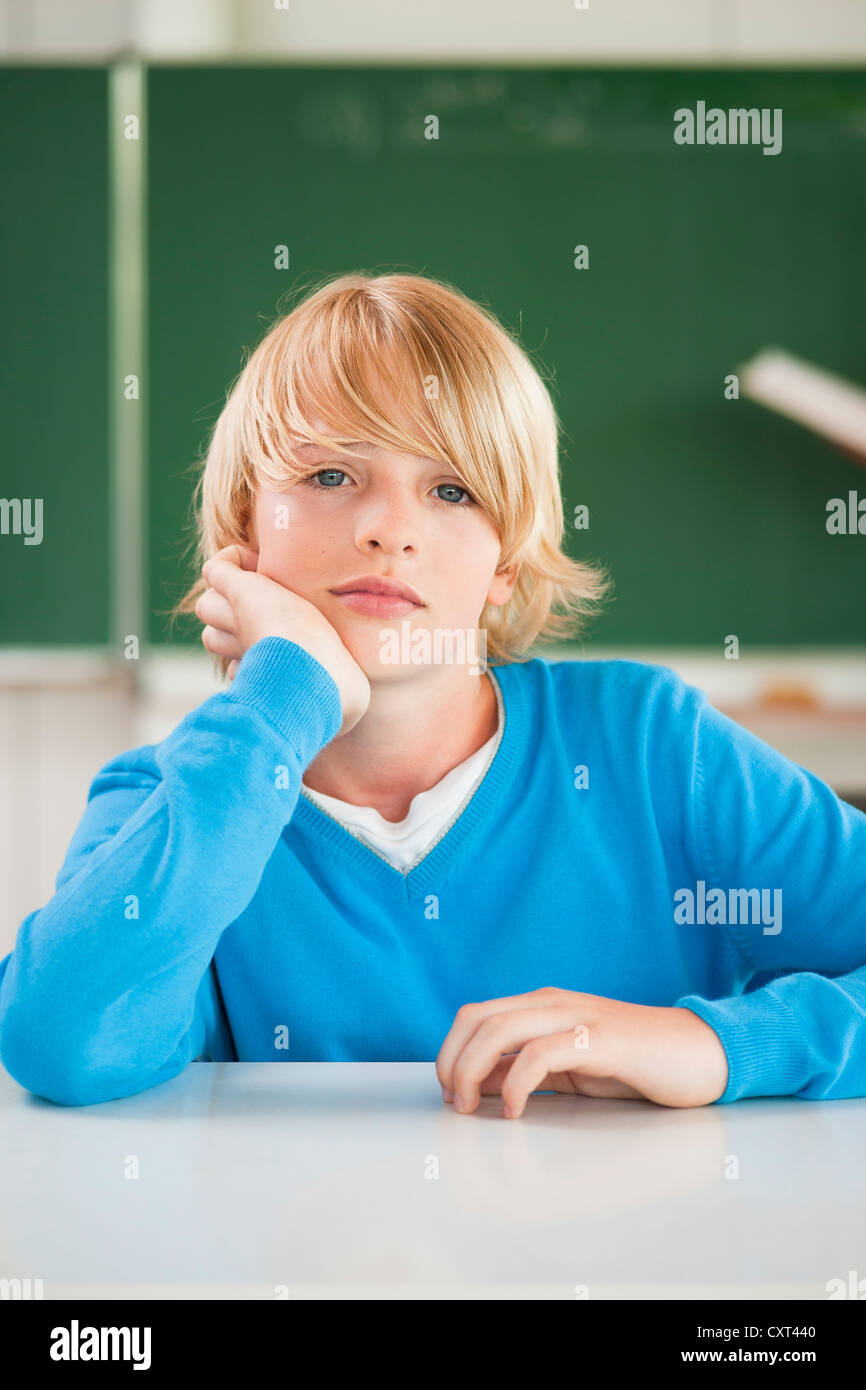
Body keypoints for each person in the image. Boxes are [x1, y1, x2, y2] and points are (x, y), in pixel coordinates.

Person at [1, 271, 865, 1114]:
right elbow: (60, 1041)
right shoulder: (179, 799)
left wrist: (717, 1046)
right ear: (244, 530)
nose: (389, 529)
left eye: (452, 490)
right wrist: (282, 697)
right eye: (331, 477)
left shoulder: (651, 748)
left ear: (507, 566)